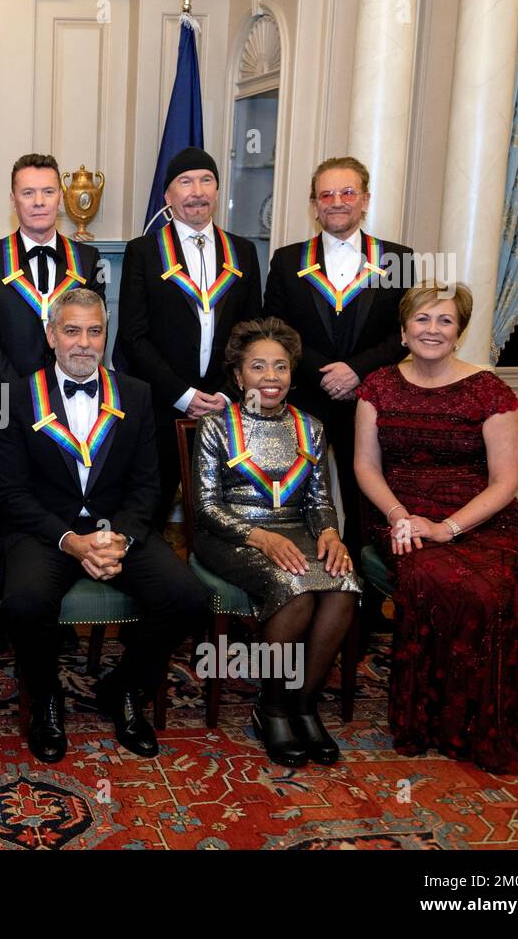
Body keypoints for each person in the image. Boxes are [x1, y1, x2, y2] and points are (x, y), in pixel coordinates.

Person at [354, 283, 518, 773]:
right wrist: (399, 517)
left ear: (459, 332)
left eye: (445, 321)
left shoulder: (490, 390)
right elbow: (367, 468)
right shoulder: (377, 385)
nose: (432, 330)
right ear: (404, 329)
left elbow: (506, 482)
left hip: (484, 519)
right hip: (402, 514)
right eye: (423, 320)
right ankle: (429, 716)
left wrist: (448, 528)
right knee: (431, 579)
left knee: (488, 591)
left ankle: (481, 719)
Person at [0, 288, 210, 764]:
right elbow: (12, 495)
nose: (84, 343)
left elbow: (147, 486)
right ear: (51, 335)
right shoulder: (16, 396)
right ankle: (47, 699)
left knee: (187, 597)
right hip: (47, 532)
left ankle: (127, 688)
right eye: (72, 330)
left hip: (118, 530)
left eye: (95, 331)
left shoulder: (135, 393)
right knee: (24, 603)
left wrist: (120, 538)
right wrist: (71, 541)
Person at [191, 318, 360, 766]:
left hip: (297, 534)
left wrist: (329, 533)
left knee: (344, 587)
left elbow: (321, 502)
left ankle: (303, 705)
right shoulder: (216, 426)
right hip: (230, 534)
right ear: (239, 375)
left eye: (280, 367)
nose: (270, 377)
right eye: (259, 367)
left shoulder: (312, 427)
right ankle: (271, 707)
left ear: (292, 374)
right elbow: (205, 507)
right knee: (296, 591)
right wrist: (259, 537)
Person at [0, 151, 103, 651]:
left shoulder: (85, 259)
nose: (40, 201)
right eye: (29, 192)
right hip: (6, 400)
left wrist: (56, 392)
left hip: (70, 403)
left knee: (62, 499)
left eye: (48, 192)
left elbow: (88, 334)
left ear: (60, 199)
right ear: (13, 199)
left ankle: (55, 609)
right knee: (2, 504)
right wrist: (26, 393)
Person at [263, 157, 413, 565]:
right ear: (314, 205)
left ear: (364, 200)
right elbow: (275, 328)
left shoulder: (398, 259)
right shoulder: (287, 259)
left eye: (347, 193)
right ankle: (301, 579)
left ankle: (361, 591)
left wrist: (356, 370)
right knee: (295, 495)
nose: (337, 202)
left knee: (363, 497)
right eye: (326, 194)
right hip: (305, 398)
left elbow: (402, 336)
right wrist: (322, 370)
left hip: (369, 401)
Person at [117, 146, 262, 528]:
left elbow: (253, 336)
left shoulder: (244, 252)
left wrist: (226, 393)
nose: (197, 191)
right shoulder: (143, 252)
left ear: (216, 190)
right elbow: (133, 337)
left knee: (225, 515)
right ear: (168, 196)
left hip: (225, 406)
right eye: (185, 182)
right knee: (151, 512)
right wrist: (183, 396)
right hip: (162, 406)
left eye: (206, 180)